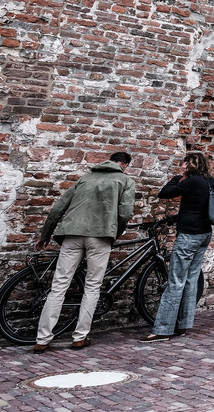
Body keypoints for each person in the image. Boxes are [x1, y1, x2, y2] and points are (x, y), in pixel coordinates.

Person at [34, 150, 136, 352]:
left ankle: (42, 339)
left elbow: (57, 209)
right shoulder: (125, 181)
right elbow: (125, 213)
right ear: (124, 165)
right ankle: (79, 337)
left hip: (72, 234)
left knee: (59, 286)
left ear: (109, 161)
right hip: (100, 236)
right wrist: (115, 232)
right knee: (92, 286)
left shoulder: (85, 179)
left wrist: (45, 235)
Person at [142, 150, 214, 341]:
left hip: (189, 236)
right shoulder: (212, 182)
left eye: (184, 163)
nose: (181, 165)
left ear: (189, 164)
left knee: (176, 281)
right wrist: (205, 214)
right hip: (204, 234)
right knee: (191, 280)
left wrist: (178, 177)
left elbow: (164, 193)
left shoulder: (191, 181)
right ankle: (183, 325)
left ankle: (162, 330)